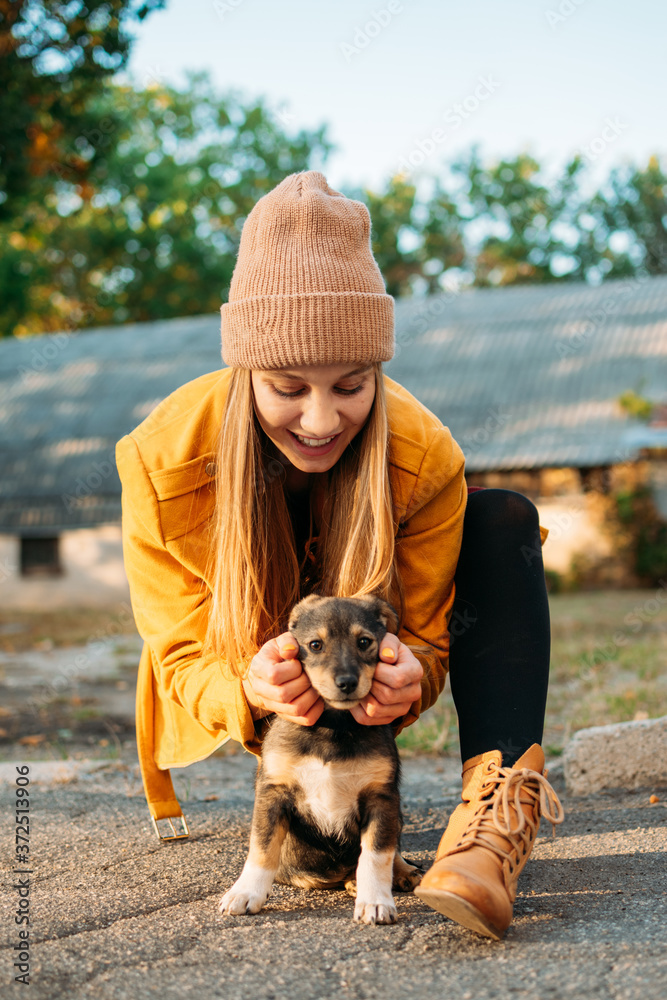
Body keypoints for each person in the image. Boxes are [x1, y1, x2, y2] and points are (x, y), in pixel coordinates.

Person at [116, 170, 563, 941]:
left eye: (352, 386)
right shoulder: (162, 460)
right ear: (244, 368)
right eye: (287, 386)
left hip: (362, 695)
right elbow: (178, 650)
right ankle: (304, 811)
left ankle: (494, 813)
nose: (321, 420)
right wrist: (247, 685)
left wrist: (409, 676)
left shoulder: (421, 454)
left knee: (502, 517)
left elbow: (423, 632)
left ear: (378, 373)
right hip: (269, 695)